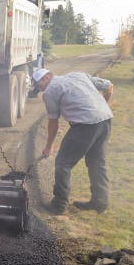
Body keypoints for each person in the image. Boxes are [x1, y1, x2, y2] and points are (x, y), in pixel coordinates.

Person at [33, 68, 114, 214]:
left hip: (85, 125)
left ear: (47, 77)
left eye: (40, 85)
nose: (40, 88)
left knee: (63, 163)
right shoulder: (78, 75)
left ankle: (59, 205)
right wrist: (103, 106)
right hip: (105, 119)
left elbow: (53, 122)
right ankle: (100, 202)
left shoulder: (50, 91)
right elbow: (109, 86)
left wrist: (49, 146)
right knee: (97, 162)